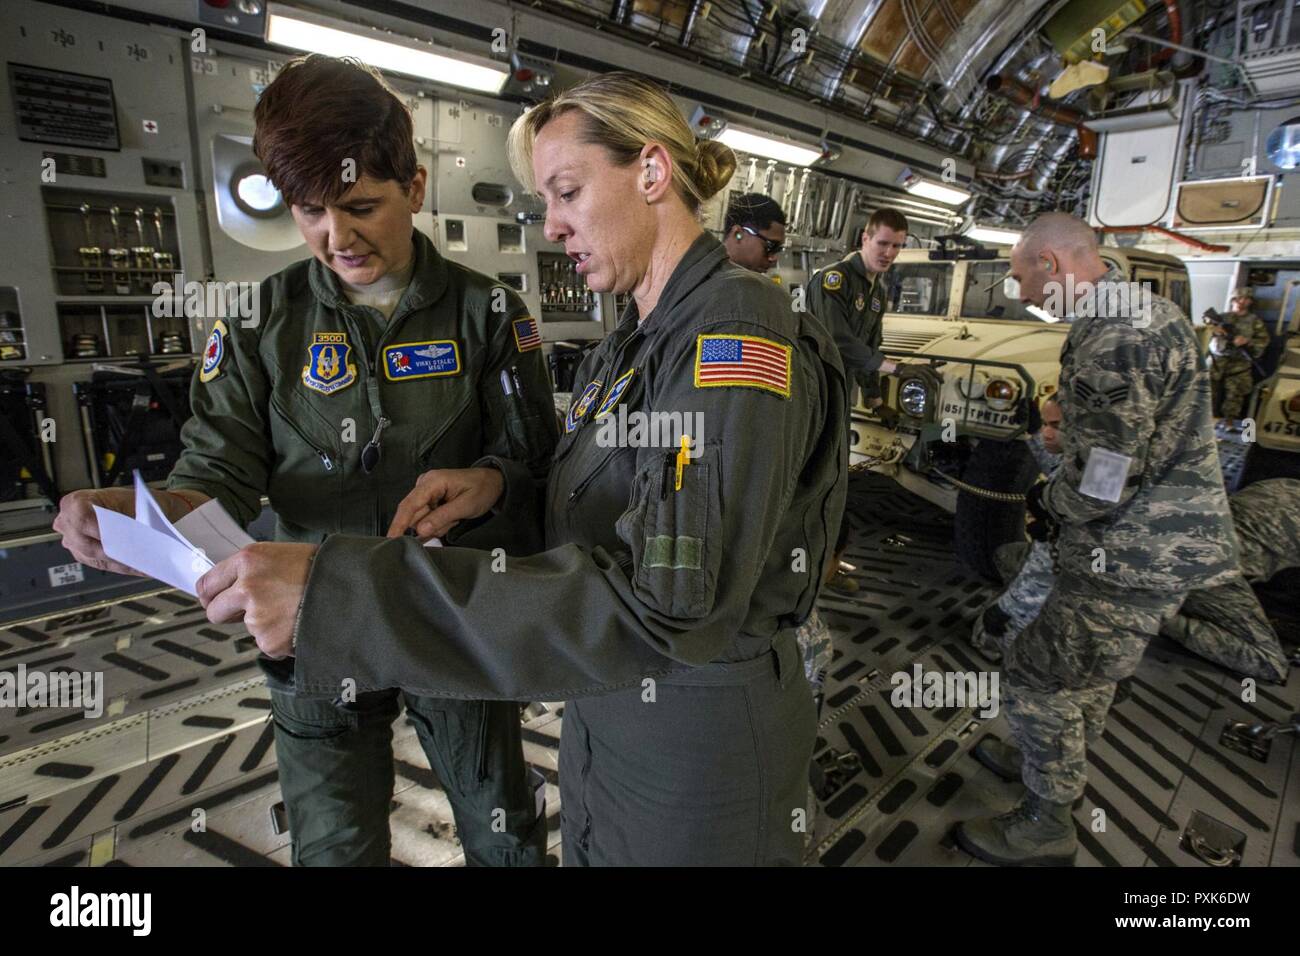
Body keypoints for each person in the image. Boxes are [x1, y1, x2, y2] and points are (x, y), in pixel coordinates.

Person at [191, 72, 850, 866]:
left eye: (566, 193)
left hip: (694, 739)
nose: (553, 226)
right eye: (545, 202)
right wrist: (498, 485)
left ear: (651, 172)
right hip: (610, 712)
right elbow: (595, 508)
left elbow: (677, 606)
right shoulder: (630, 345)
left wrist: (342, 591)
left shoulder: (731, 332)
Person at [52, 55, 558, 867]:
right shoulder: (260, 323)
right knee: (334, 848)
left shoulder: (486, 313)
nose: (337, 236)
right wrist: (147, 513)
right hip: (313, 627)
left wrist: (494, 481)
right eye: (310, 211)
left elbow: (539, 464)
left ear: (416, 187)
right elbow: (217, 469)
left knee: (503, 830)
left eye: (363, 206)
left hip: (447, 616)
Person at [954, 212, 1237, 866]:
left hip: (1132, 548)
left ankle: (1047, 818)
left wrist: (1048, 499)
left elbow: (1107, 472)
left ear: (1052, 265)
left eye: (1021, 274)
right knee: (1090, 664)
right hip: (1166, 540)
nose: (1019, 290)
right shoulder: (1146, 310)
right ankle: (1043, 755)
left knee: (1040, 671)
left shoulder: (1110, 333)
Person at [806, 208, 909, 412]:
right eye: (882, 243)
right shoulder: (835, 279)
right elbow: (837, 340)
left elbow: (868, 346)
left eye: (896, 246)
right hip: (812, 387)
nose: (889, 253)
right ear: (865, 238)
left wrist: (875, 400)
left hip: (840, 389)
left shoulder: (878, 291)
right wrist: (895, 368)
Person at [1209, 286, 1270, 424]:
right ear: (1233, 299)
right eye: (1239, 298)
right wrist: (1214, 332)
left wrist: (1247, 341)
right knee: (1207, 392)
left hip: (1239, 364)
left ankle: (1229, 422)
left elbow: (1263, 340)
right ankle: (1205, 421)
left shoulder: (1255, 321)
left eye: (1246, 299)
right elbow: (1203, 334)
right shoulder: (1222, 317)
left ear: (1250, 302)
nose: (1242, 301)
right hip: (1217, 362)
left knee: (1235, 395)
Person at [721, 193, 787, 274]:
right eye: (770, 247)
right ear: (738, 234)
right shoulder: (705, 280)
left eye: (778, 250)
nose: (773, 259)